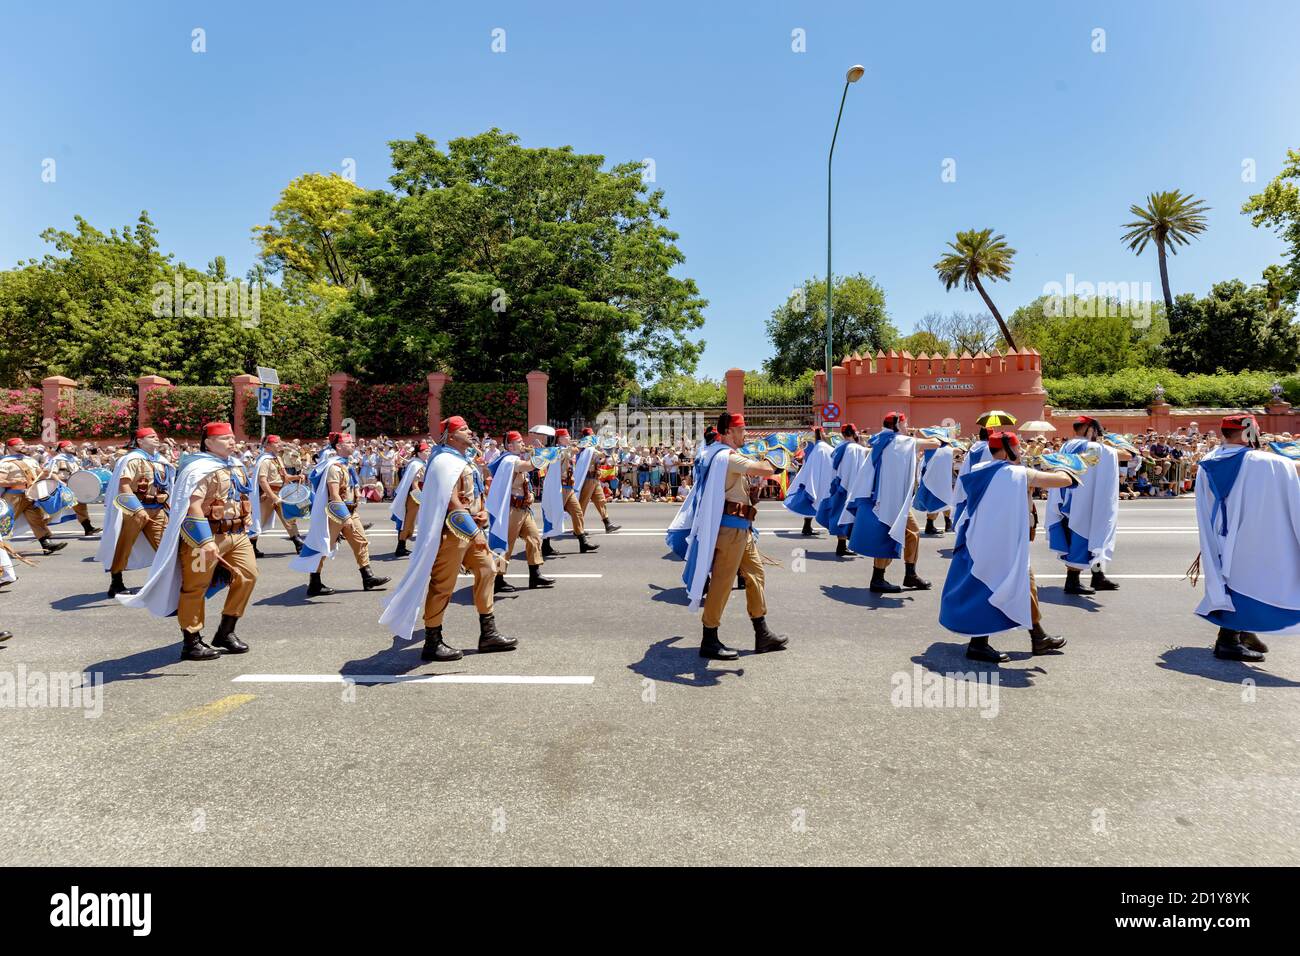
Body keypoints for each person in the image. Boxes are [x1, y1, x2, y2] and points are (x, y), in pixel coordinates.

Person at [379, 416, 517, 662]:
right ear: (450, 436)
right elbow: (452, 502)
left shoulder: (463, 460)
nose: (470, 431)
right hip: (452, 533)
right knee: (443, 585)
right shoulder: (444, 460)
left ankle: (488, 633)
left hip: (471, 528)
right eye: (463, 429)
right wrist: (475, 533)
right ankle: (432, 640)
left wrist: (482, 511)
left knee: (487, 570)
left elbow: (473, 492)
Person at [118, 422, 258, 661]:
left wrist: (249, 520)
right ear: (209, 442)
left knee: (248, 576)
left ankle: (226, 631)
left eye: (232, 437)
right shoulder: (199, 468)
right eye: (225, 438)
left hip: (236, 534)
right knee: (195, 586)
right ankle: (191, 640)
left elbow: (242, 494)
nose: (232, 441)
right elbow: (192, 505)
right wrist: (205, 541)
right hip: (204, 535)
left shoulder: (235, 465)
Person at [938, 430, 1071, 662]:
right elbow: (1063, 481)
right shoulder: (1016, 473)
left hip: (980, 540)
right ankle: (979, 644)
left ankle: (1037, 636)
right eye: (1018, 448)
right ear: (1009, 449)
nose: (1020, 452)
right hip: (999, 544)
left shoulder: (981, 470)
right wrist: (1066, 466)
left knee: (1020, 583)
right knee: (994, 587)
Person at [1193, 414, 1300, 661]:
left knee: (1233, 580)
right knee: (1252, 580)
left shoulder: (1209, 460)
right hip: (1250, 535)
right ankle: (1227, 641)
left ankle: (1244, 630)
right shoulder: (1264, 461)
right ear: (1249, 432)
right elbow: (1290, 472)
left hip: (1220, 535)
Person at [682, 413, 789, 660]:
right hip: (731, 529)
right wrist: (780, 451)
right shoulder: (726, 456)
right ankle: (709, 638)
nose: (746, 434)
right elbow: (765, 468)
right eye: (742, 430)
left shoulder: (716, 453)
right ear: (729, 432)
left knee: (756, 573)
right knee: (722, 582)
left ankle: (762, 633)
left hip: (741, 526)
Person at [845, 413, 942, 593]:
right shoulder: (902, 441)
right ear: (898, 424)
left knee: (912, 532)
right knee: (887, 535)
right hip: (891, 500)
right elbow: (936, 443)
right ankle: (878, 578)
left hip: (884, 497)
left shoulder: (881, 440)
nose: (907, 427)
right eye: (905, 424)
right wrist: (921, 433)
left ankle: (910, 574)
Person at [289, 432, 390, 596]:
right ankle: (314, 583)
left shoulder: (346, 465)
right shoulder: (334, 467)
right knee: (324, 547)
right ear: (338, 446)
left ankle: (368, 577)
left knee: (361, 541)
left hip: (350, 511)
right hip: (337, 514)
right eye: (349, 442)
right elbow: (334, 495)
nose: (353, 444)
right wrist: (345, 517)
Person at [1046, 415, 1131, 595]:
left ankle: (1097, 576)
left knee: (1089, 537)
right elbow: (1127, 454)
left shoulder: (1066, 445)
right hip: (1086, 502)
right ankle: (1072, 581)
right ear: (1091, 429)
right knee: (1088, 536)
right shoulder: (1095, 448)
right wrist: (1114, 441)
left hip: (1070, 500)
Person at [98, 427, 173, 597]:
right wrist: (138, 509)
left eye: (156, 436)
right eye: (151, 437)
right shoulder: (133, 459)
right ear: (140, 441)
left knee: (164, 546)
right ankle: (116, 582)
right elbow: (124, 485)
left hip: (157, 508)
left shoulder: (161, 460)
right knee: (124, 545)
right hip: (135, 508)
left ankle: (165, 581)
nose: (156, 438)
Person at [485, 430, 555, 592]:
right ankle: (498, 579)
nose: (523, 444)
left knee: (534, 538)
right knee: (505, 544)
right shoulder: (509, 460)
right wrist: (547, 453)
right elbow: (529, 466)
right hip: (511, 509)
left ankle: (535, 575)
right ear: (510, 445)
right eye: (519, 442)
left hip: (523, 508)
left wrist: (529, 493)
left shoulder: (513, 459)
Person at [0, 437, 68, 554]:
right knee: (4, 521)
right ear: (10, 447)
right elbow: (1, 481)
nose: (23, 445)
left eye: (23, 443)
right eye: (19, 444)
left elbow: (39, 475)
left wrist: (45, 473)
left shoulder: (30, 460)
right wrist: (16, 482)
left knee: (37, 519)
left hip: (30, 495)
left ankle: (46, 545)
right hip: (13, 496)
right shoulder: (5, 463)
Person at [249, 435, 305, 557]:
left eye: (280, 442)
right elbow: (262, 480)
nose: (280, 444)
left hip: (281, 493)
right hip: (267, 496)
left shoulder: (277, 458)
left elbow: (285, 477)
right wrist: (273, 497)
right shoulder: (265, 460)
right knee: (258, 522)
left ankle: (299, 544)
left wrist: (297, 477)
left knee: (289, 519)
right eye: (277, 443)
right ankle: (250, 547)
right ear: (268, 445)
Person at [816, 424, 866, 558]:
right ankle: (844, 546)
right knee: (846, 514)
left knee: (838, 514)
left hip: (837, 484)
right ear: (854, 433)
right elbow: (861, 466)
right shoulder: (854, 448)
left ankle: (842, 546)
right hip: (848, 485)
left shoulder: (839, 446)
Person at [784, 428, 833, 537]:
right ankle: (808, 526)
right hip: (814, 473)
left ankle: (807, 526)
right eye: (824, 432)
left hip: (810, 473)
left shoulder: (812, 444)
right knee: (812, 499)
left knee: (810, 499)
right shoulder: (818, 445)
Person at [47, 440, 101, 537]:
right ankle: (40, 528)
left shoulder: (74, 459)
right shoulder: (58, 459)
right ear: (62, 449)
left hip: (75, 486)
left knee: (81, 507)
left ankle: (88, 528)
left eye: (72, 445)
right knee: (52, 510)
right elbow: (52, 473)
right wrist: (61, 483)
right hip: (63, 486)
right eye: (69, 446)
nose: (72, 447)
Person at [576, 427, 620, 535]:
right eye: (592, 436)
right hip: (588, 479)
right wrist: (614, 442)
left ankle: (607, 524)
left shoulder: (589, 449)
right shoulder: (587, 449)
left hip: (594, 479)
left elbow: (600, 460)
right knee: (583, 504)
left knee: (601, 501)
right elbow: (603, 454)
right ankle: (578, 528)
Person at [391, 441, 430, 558]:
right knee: (408, 522)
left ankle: (401, 547)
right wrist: (420, 498)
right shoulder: (417, 465)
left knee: (409, 522)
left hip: (416, 495)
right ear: (419, 453)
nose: (428, 453)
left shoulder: (419, 463)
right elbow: (415, 484)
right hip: (414, 496)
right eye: (426, 451)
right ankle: (400, 548)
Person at [914, 433, 956, 535]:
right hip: (940, 480)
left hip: (933, 481)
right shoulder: (947, 450)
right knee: (941, 502)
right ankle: (943, 524)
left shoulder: (929, 451)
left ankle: (943, 524)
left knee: (941, 502)